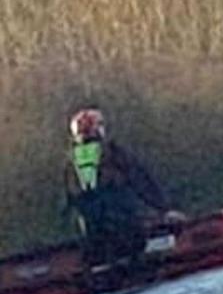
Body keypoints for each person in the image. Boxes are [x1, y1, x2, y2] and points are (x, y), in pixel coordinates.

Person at [63, 108, 179, 270]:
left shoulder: (70, 163)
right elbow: (141, 181)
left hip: (94, 238)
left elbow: (67, 202)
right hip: (127, 231)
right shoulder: (112, 153)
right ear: (97, 129)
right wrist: (165, 209)